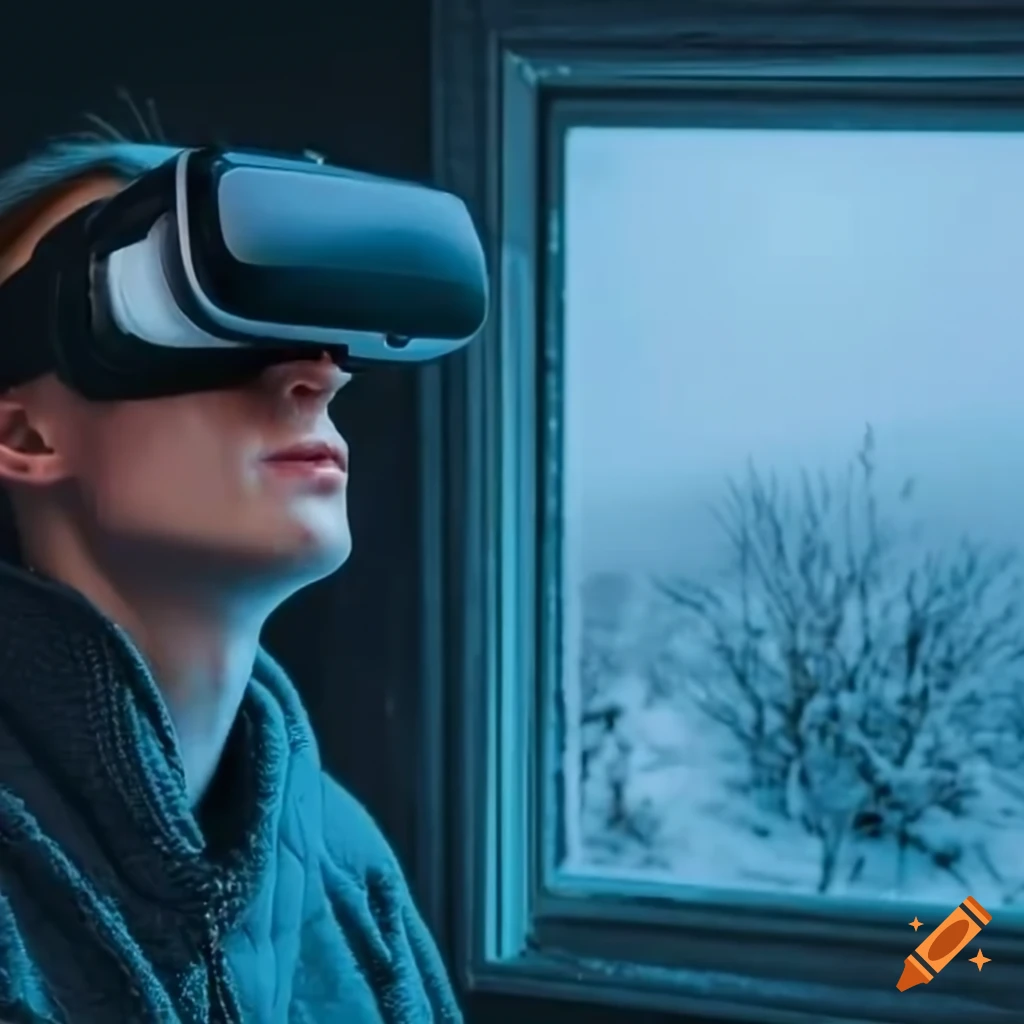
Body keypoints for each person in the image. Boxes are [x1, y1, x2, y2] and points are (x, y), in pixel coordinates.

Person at [0, 133, 461, 1022]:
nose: (314, 372)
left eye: (302, 320)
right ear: (24, 435)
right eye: (174, 303)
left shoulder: (342, 857)